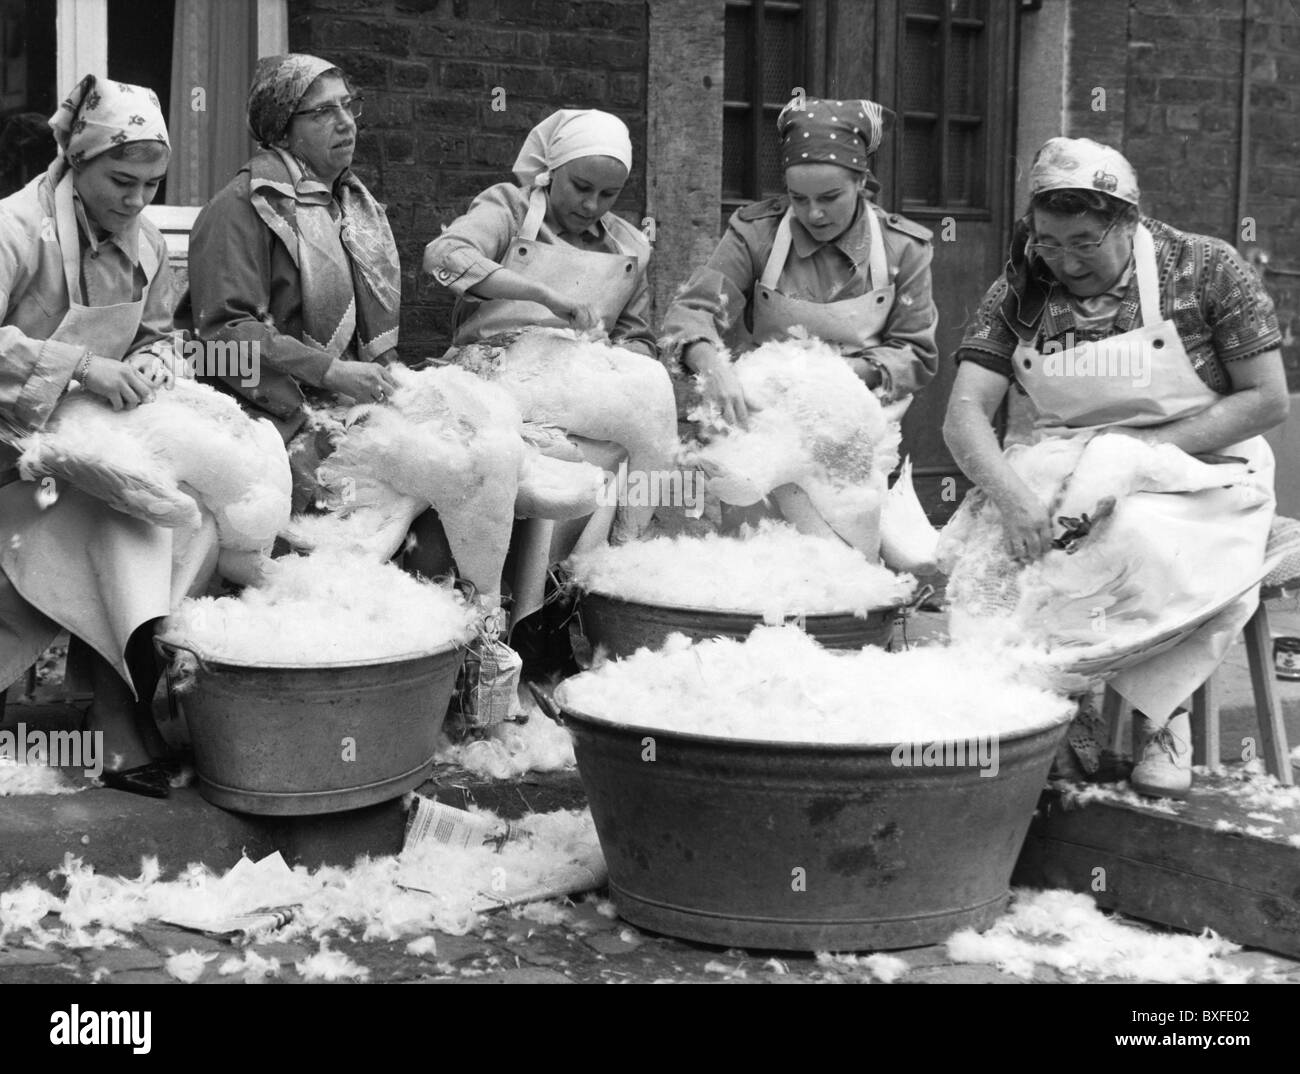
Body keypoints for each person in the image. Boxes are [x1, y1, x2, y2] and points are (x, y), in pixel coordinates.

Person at [943, 136, 1287, 798]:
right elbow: (963, 415)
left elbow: (1267, 399)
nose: (1064, 261)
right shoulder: (1020, 289)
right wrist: (1014, 503)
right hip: (1065, 464)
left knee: (1134, 542)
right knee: (991, 565)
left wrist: (1138, 458)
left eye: (1084, 243)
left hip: (1203, 468)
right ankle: (1058, 725)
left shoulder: (1206, 269)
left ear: (1127, 221)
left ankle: (1165, 716)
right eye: (1047, 240)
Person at [0, 75, 193, 796]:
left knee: (147, 517)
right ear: (77, 160)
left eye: (152, 184)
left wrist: (151, 361)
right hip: (5, 448)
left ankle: (118, 708)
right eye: (122, 180)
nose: (138, 200)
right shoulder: (16, 231)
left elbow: (164, 335)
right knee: (87, 530)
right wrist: (82, 364)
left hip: (77, 443)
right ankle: (102, 718)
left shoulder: (141, 243)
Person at [422, 108, 658, 646]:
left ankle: (575, 609)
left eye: (608, 194)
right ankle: (488, 625)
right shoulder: (508, 207)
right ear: (552, 169)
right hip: (494, 383)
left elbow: (641, 341)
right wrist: (542, 295)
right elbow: (442, 258)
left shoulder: (627, 248)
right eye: (580, 187)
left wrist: (610, 351)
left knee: (605, 467)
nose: (591, 205)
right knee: (509, 466)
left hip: (578, 395)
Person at [660, 97, 938, 534]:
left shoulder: (903, 248)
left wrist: (830, 379)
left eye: (830, 197)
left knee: (839, 562)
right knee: (762, 553)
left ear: (862, 182)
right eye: (798, 198)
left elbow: (916, 354)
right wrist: (709, 362)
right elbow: (693, 310)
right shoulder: (757, 235)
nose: (814, 213)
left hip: (852, 429)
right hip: (764, 418)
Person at [186, 53, 401, 513]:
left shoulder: (353, 208)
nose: (346, 123)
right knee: (358, 504)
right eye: (323, 112)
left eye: (348, 105)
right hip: (270, 414)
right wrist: (329, 371)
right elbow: (223, 338)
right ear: (282, 129)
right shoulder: (241, 208)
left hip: (347, 402)